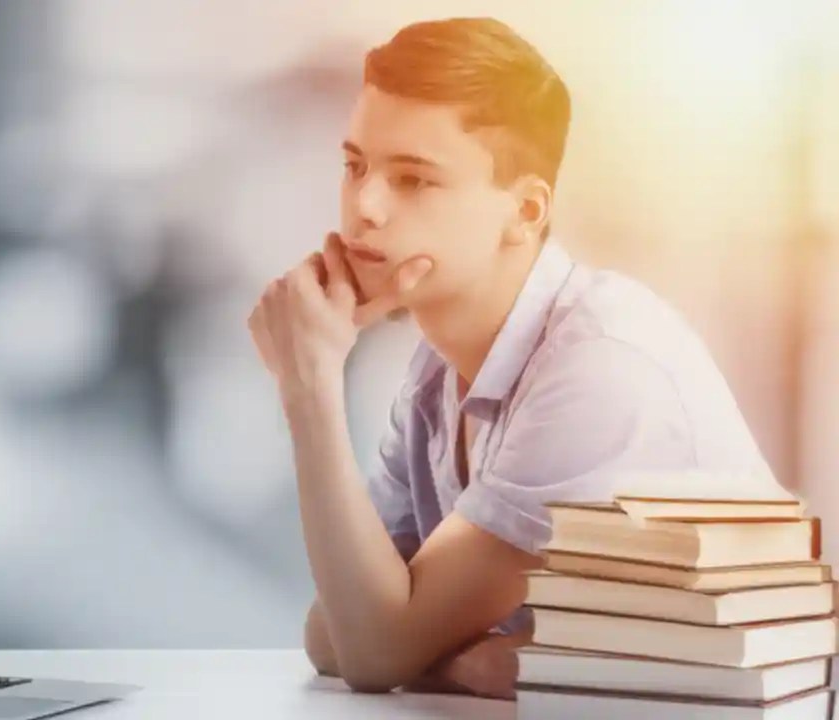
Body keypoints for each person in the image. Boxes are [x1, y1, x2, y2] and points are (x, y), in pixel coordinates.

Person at [246, 17, 771, 699]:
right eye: (356, 166)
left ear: (524, 211)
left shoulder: (598, 370)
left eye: (414, 180)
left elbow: (371, 651)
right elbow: (332, 631)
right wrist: (461, 658)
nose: (364, 207)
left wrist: (309, 384)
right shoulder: (436, 375)